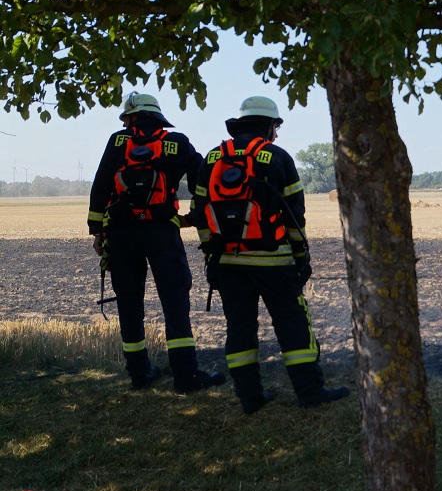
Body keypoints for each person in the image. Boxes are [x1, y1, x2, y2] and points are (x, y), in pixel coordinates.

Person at [191, 96, 350, 414]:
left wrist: (212, 255)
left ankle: (249, 397)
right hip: (273, 260)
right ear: (267, 126)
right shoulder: (277, 157)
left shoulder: (212, 158)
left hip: (227, 262)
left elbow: (199, 213)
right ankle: (309, 391)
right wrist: (301, 256)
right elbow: (295, 215)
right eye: (275, 127)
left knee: (239, 327)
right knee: (292, 323)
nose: (276, 134)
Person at [87, 92, 225, 393]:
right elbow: (202, 177)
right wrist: (194, 216)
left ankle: (139, 373)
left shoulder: (117, 141)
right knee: (175, 302)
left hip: (122, 233)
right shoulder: (177, 142)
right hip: (162, 231)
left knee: (129, 302)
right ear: (157, 116)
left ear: (131, 117)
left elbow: (100, 184)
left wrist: (97, 230)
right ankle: (185, 376)